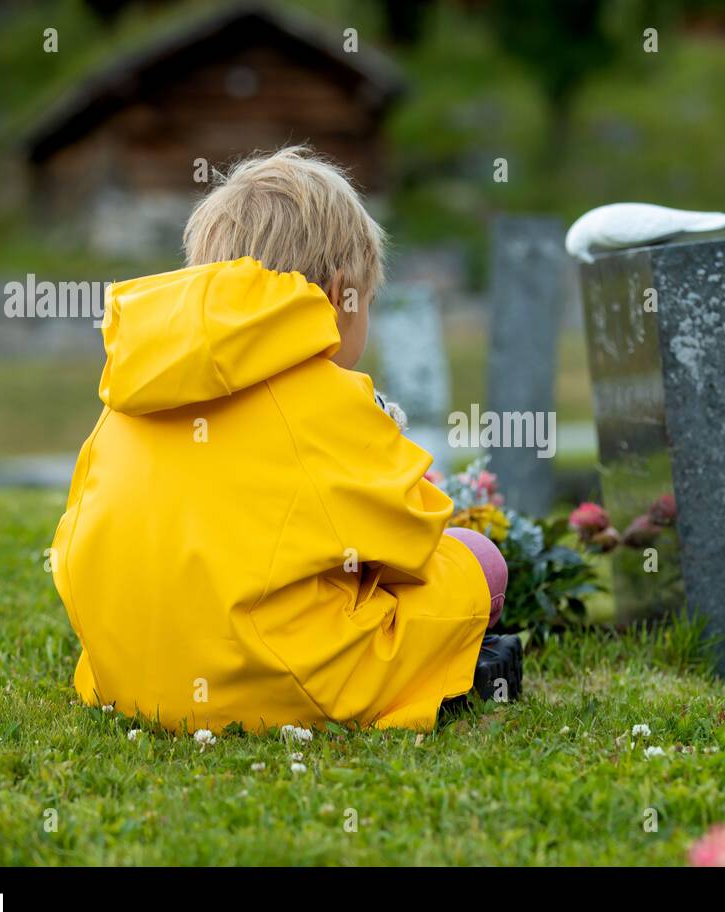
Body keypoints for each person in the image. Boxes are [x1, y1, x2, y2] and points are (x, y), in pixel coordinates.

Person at [50, 146, 520, 734]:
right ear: (340, 296)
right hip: (282, 680)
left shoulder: (133, 388)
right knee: (479, 560)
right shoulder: (327, 398)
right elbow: (410, 552)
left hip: (131, 674)